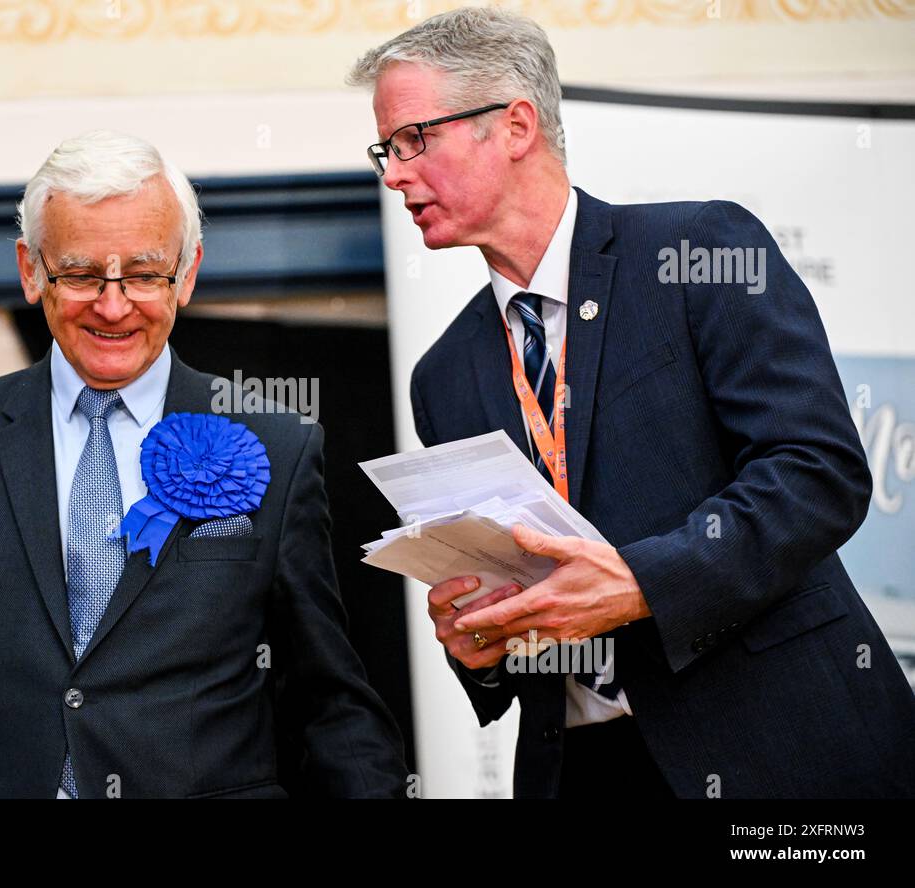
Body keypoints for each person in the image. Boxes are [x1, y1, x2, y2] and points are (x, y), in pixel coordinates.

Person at [348, 7, 915, 799]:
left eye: (415, 140)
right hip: (579, 770)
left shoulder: (701, 252)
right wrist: (478, 646)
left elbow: (817, 473)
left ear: (514, 125)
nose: (394, 173)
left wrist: (642, 583)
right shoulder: (443, 373)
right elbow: (507, 596)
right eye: (386, 150)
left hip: (779, 750)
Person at [0, 130, 407, 798]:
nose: (113, 307)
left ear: (189, 271)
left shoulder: (278, 446)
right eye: (82, 274)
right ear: (31, 270)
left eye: (145, 275)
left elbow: (332, 701)